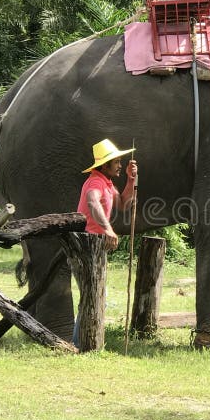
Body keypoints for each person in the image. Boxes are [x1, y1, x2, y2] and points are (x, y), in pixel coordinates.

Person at [73, 138, 137, 346]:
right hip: (85, 244)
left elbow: (124, 205)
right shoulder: (95, 182)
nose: (120, 165)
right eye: (117, 162)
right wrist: (108, 229)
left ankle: (81, 343)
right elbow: (92, 202)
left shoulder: (108, 184)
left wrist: (130, 179)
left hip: (96, 245)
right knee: (94, 295)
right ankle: (80, 344)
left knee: (96, 295)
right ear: (104, 165)